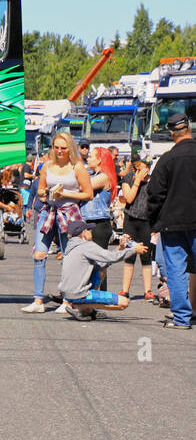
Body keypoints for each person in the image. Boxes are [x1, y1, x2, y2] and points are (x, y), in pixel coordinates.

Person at [24, 131, 94, 313]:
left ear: (69, 148)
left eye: (63, 148)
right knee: (39, 254)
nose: (60, 151)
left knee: (68, 257)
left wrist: (65, 194)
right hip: (49, 211)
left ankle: (68, 300)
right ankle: (38, 300)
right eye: (56, 147)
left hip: (69, 212)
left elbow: (88, 193)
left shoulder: (78, 167)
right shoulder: (46, 166)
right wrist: (45, 194)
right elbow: (39, 189)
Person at [145, 112, 196, 329]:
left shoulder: (166, 159)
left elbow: (155, 194)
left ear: (172, 133)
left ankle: (182, 318)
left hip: (172, 223)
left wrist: (153, 222)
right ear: (190, 130)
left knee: (176, 271)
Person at [57, 219, 147, 320]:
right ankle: (80, 307)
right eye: (89, 230)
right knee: (124, 303)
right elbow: (112, 257)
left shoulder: (71, 247)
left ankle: (87, 310)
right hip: (80, 294)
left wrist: (120, 247)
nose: (91, 232)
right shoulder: (86, 246)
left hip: (68, 294)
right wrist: (133, 250)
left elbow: (102, 263)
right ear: (83, 233)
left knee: (100, 270)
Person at [116, 155, 155, 302]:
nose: (147, 170)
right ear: (137, 168)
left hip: (147, 221)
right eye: (145, 167)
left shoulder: (152, 181)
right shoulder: (128, 179)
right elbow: (129, 198)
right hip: (131, 220)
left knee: (146, 256)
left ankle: (148, 291)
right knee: (129, 255)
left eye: (149, 167)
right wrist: (137, 180)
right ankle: (125, 290)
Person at [80, 146, 119, 287]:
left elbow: (83, 187)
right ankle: (90, 295)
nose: (88, 158)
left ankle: (99, 295)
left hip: (99, 224)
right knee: (89, 263)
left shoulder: (103, 177)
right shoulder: (93, 175)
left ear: (100, 160)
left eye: (91, 156)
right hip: (89, 223)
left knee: (99, 264)